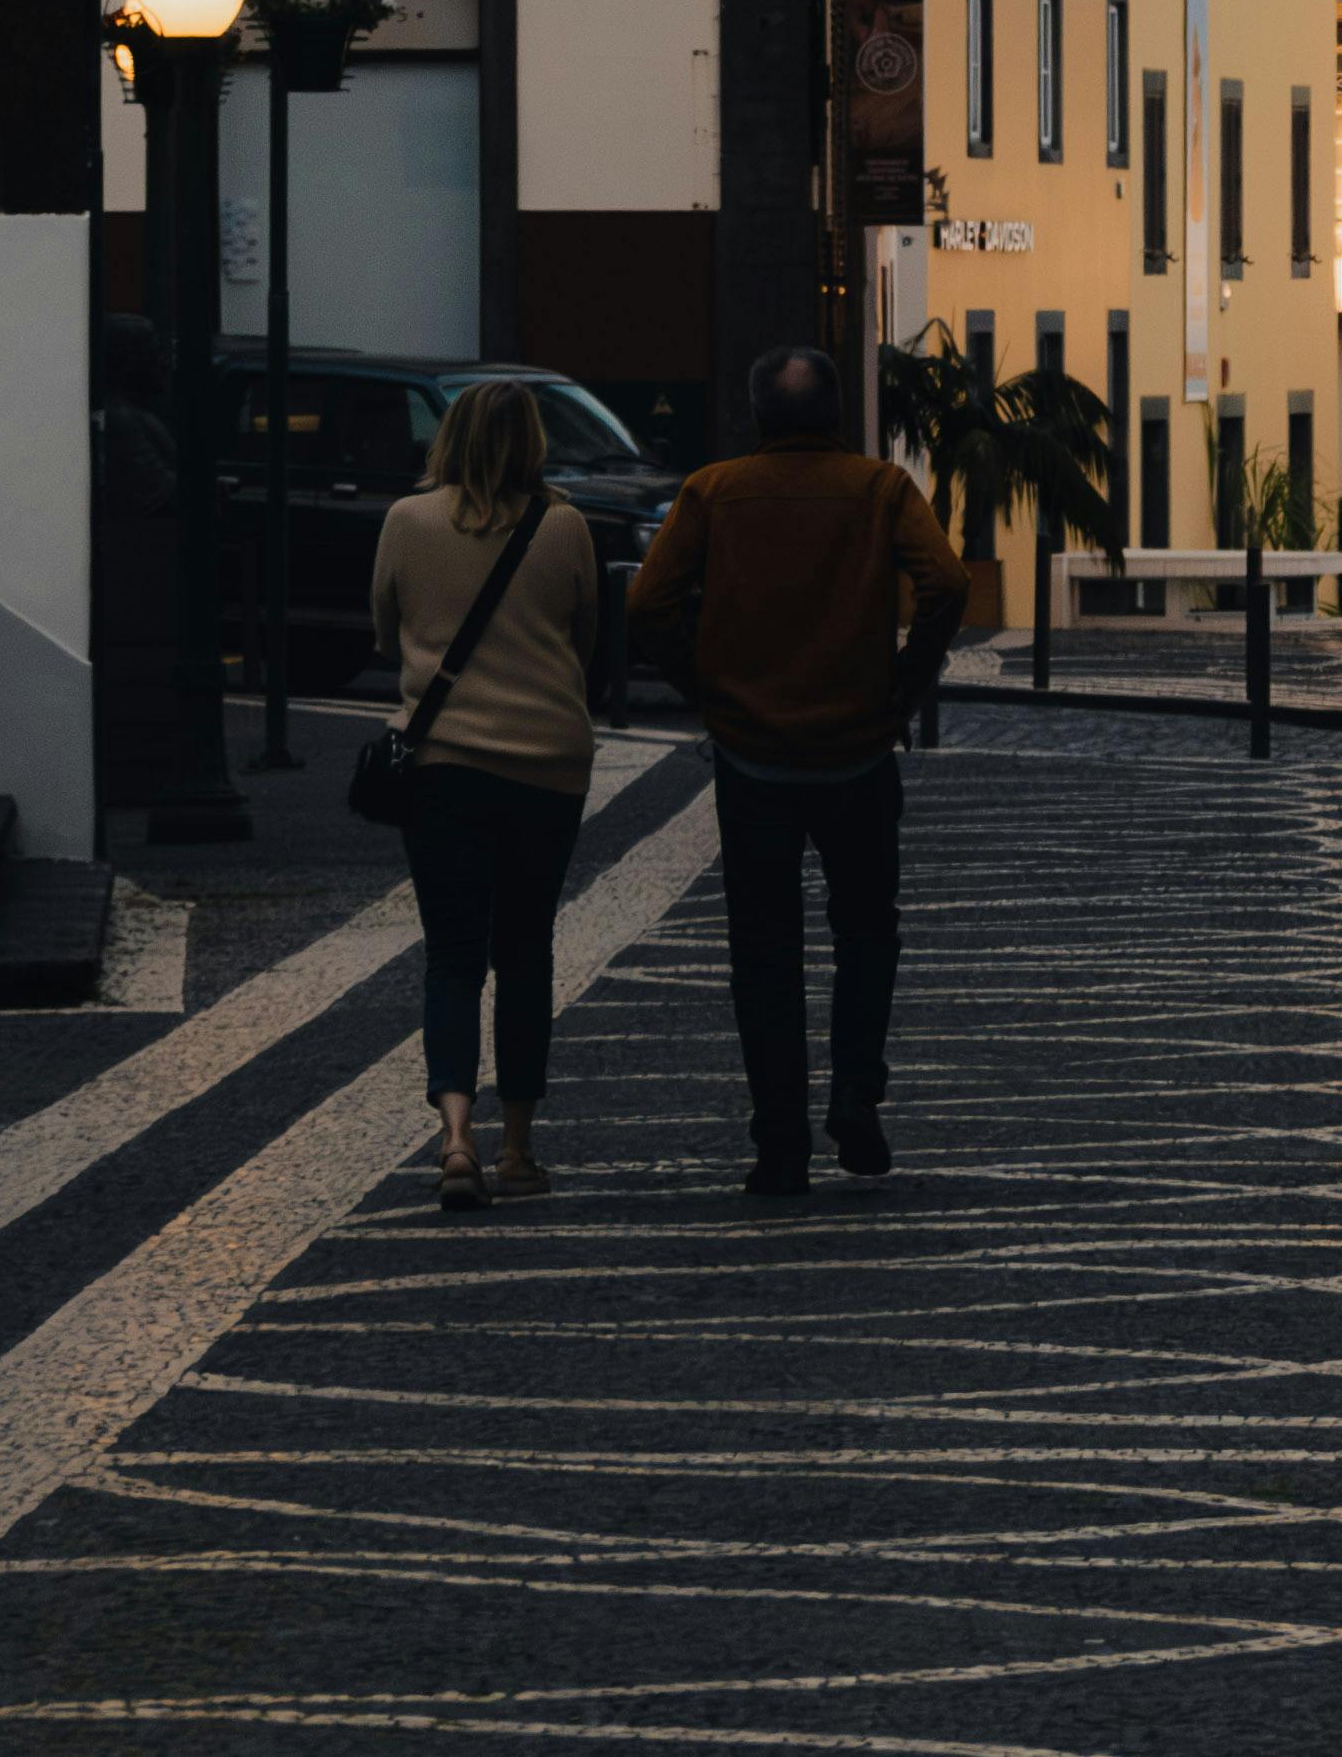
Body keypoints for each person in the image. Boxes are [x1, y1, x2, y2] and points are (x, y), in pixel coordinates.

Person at [626, 346, 975, 1203]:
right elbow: (947, 582)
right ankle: (856, 1090)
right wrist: (905, 684)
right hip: (856, 749)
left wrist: (702, 685)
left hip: (753, 758)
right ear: (836, 416)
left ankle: (780, 1143)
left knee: (765, 952)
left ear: (757, 419)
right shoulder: (882, 490)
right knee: (865, 931)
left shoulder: (712, 492)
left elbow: (645, 606)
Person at [370, 379, 602, 1212]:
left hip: (442, 767)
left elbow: (383, 625)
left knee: (453, 953)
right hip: (547, 766)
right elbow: (585, 634)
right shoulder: (565, 525)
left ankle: (454, 1136)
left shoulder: (406, 520)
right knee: (526, 949)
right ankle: (518, 1150)